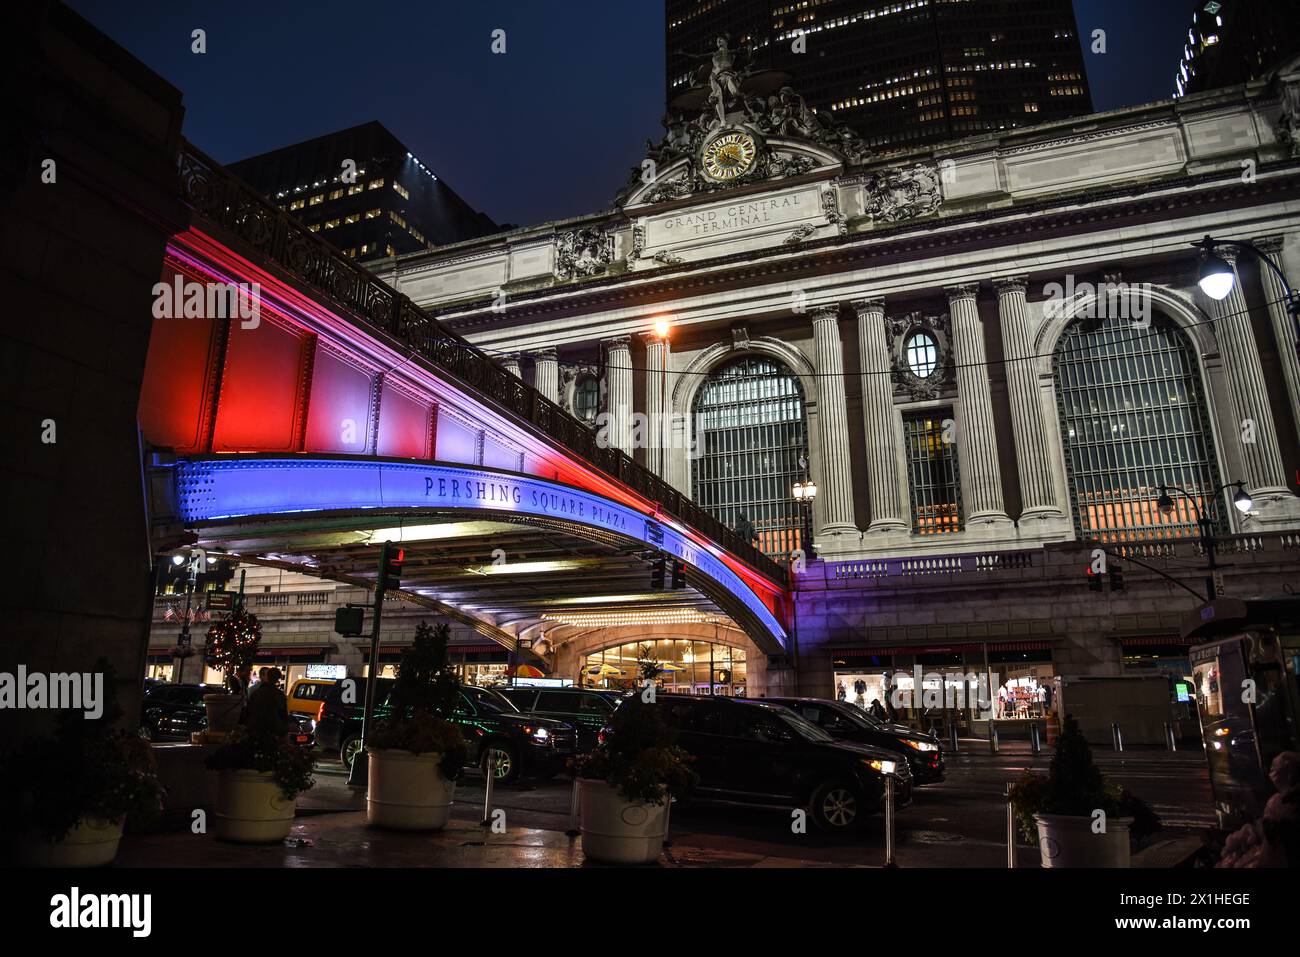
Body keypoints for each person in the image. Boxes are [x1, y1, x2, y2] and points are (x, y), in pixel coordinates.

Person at [243, 666, 289, 739]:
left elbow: (249, 710)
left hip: (257, 728)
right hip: (273, 730)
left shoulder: (256, 692)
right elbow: (283, 714)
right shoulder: (279, 694)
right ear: (277, 679)